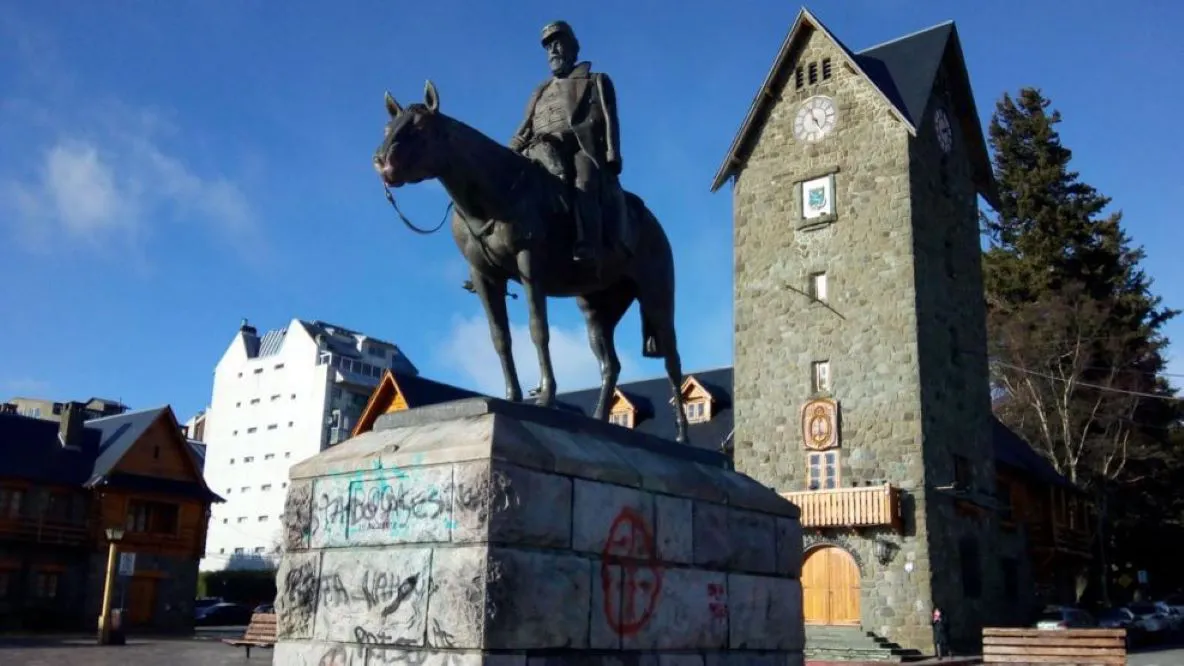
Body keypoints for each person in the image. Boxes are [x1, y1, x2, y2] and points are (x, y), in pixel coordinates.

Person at [509, 20, 622, 269]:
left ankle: (587, 242)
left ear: (572, 48)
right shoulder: (540, 89)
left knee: (584, 181)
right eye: (549, 47)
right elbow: (526, 124)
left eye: (558, 44)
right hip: (538, 147)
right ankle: (495, 255)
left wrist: (613, 152)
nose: (553, 51)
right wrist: (509, 150)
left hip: (580, 146)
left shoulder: (596, 80)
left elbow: (610, 116)